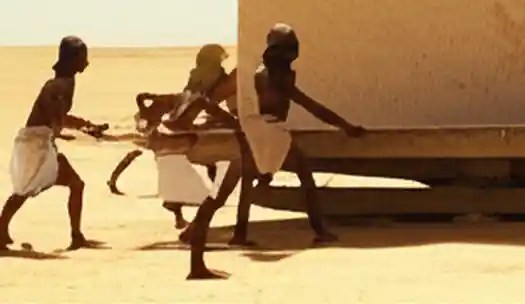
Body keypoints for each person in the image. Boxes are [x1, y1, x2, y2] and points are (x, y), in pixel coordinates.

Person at [186, 24, 367, 280]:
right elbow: (312, 106)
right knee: (304, 175)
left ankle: (238, 234)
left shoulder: (251, 72)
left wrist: (223, 118)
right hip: (272, 132)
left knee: (240, 184)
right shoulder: (279, 77)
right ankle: (319, 230)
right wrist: (345, 126)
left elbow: (215, 95)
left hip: (250, 130)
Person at [0, 36, 109, 250]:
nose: (86, 62)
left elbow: (58, 119)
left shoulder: (65, 83)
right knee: (27, 188)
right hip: (35, 143)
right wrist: (82, 128)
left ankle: (75, 236)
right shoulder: (58, 86)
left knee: (38, 187)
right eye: (82, 57)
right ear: (73, 58)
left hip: (41, 141)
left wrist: (86, 126)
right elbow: (57, 117)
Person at [108, 44, 229, 196]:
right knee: (149, 144)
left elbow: (189, 95)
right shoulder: (208, 74)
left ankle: (216, 190)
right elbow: (192, 96)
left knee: (149, 144)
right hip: (188, 115)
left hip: (188, 114)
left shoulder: (203, 73)